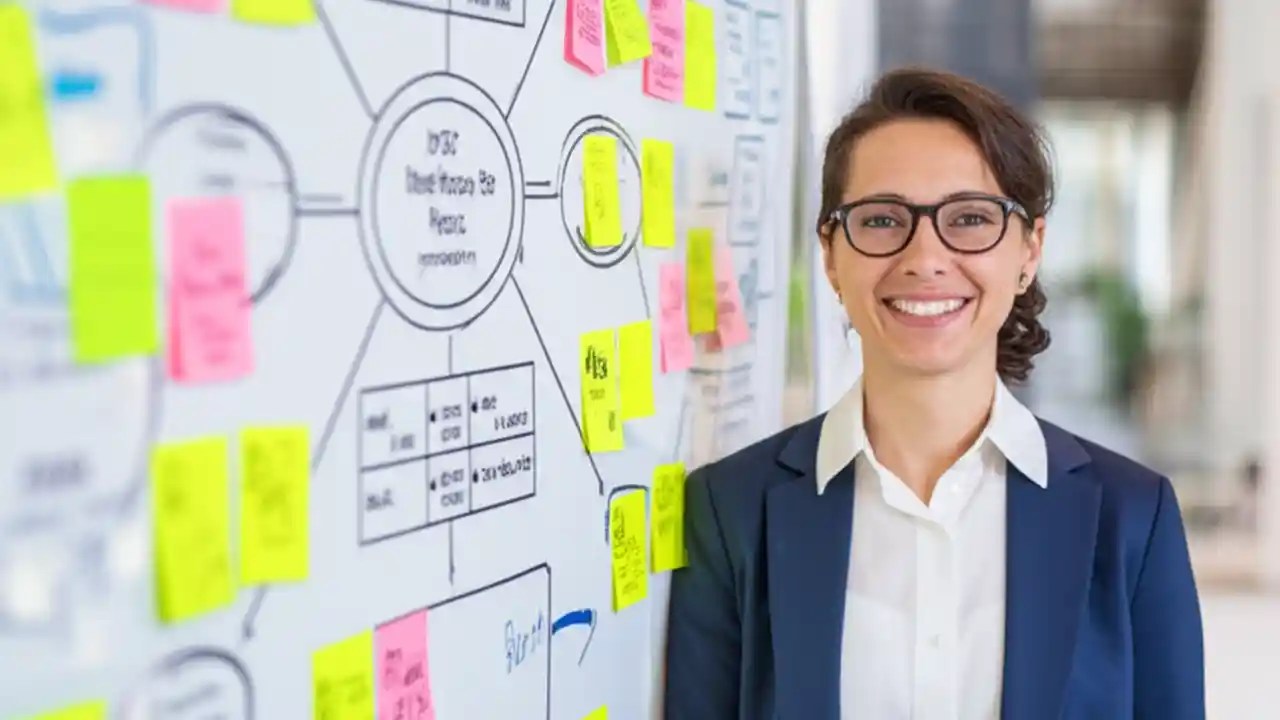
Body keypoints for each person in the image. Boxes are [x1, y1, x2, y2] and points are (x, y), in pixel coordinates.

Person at [663, 67, 1205, 720]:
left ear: (1029, 250)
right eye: (883, 219)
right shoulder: (729, 511)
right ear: (832, 254)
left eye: (971, 218)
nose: (924, 257)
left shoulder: (1131, 519)